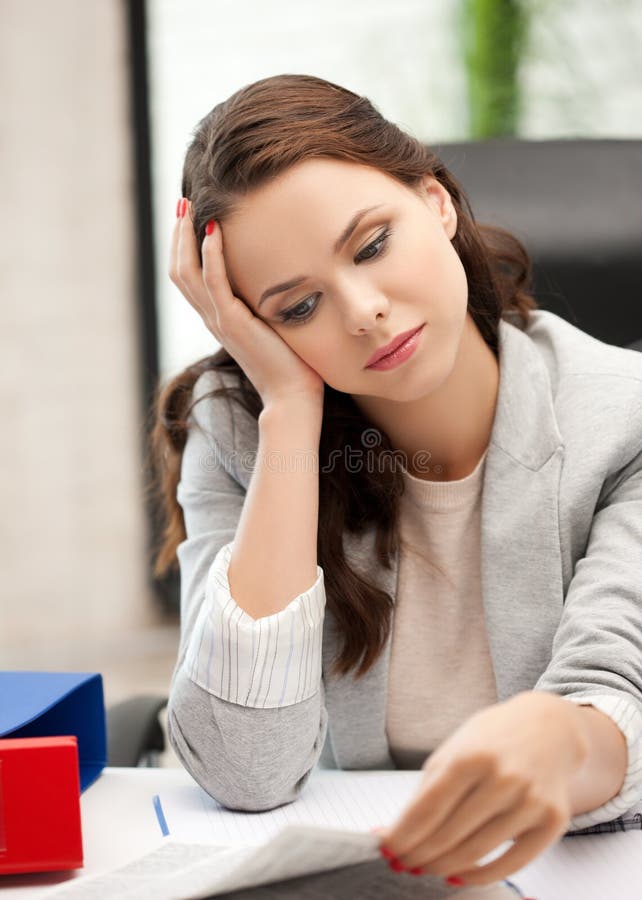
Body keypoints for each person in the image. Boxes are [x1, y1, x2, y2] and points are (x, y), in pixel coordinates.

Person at [148, 73, 642, 889]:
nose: (363, 310)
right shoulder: (245, 429)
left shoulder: (622, 423)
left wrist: (564, 741)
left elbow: (621, 695)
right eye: (297, 307)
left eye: (371, 245)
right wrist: (290, 415)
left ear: (437, 203)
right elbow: (245, 770)